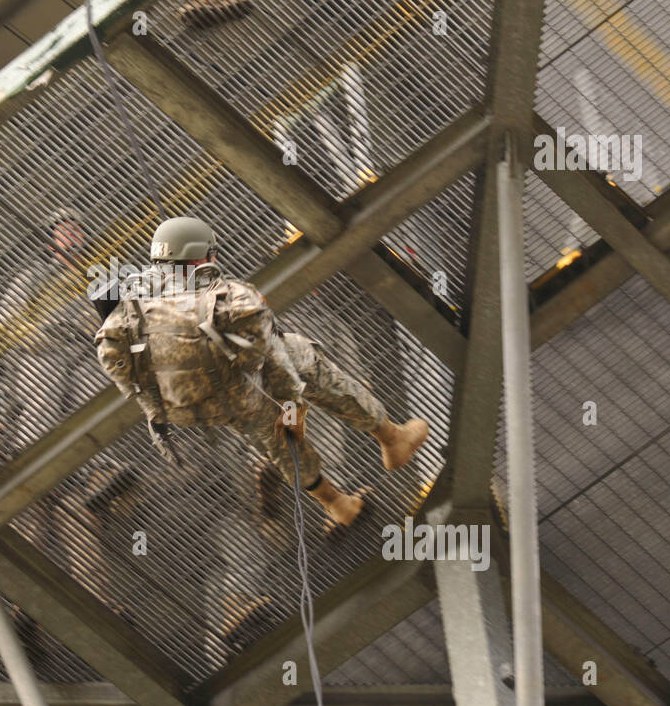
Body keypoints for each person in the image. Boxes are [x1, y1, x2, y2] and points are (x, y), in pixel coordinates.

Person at [95, 216, 429, 527]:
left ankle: (335, 503)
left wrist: (160, 408)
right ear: (199, 258)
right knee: (302, 355)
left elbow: (123, 373)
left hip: (193, 408)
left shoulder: (126, 315)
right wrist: (290, 406)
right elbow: (273, 354)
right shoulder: (227, 295)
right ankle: (390, 437)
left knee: (273, 438)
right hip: (244, 384)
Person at [0, 208, 138, 657]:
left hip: (82, 365)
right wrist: (34, 338)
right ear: (51, 239)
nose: (72, 234)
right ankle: (23, 614)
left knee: (80, 512)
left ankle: (102, 612)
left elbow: (123, 328)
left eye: (79, 227)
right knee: (33, 521)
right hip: (40, 360)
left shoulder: (99, 279)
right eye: (63, 227)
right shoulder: (31, 278)